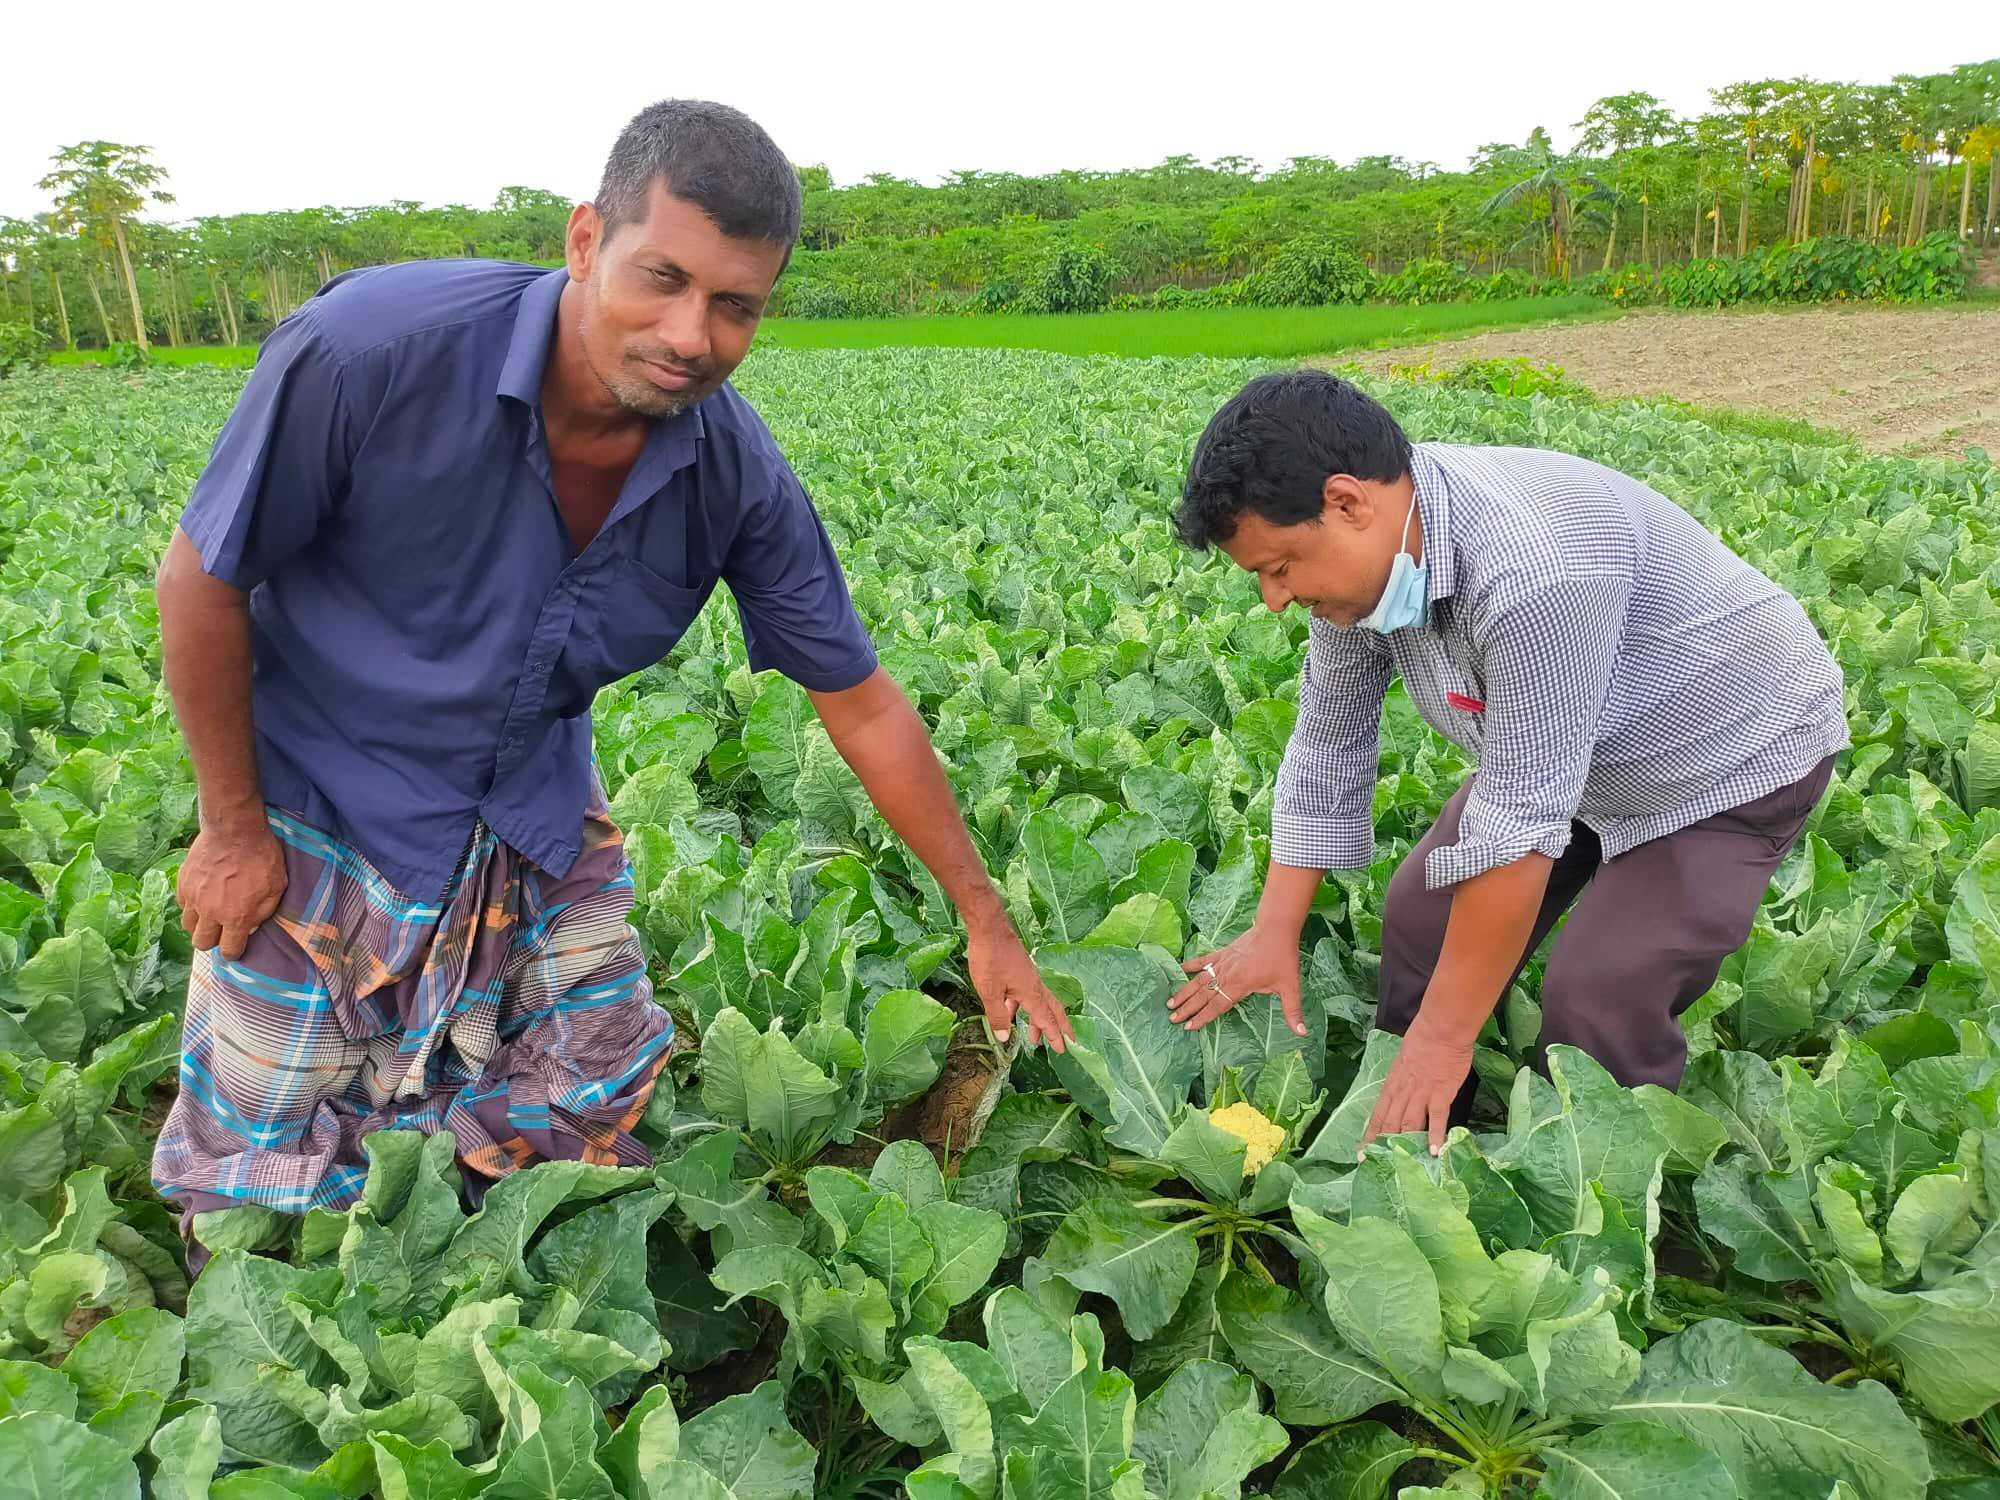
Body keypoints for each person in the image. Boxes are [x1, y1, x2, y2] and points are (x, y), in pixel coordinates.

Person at [151, 99, 1072, 1255]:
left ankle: (445, 1222)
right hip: (323, 794)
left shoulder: (730, 471)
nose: (691, 334)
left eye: (734, 306)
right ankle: (317, 1222)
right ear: (585, 240)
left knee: (602, 1072)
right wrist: (232, 831)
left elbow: (863, 702)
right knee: (252, 1164)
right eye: (662, 279)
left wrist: (982, 919)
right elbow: (200, 582)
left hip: (523, 809)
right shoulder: (370, 352)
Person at [1164, 371, 1846, 1155]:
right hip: (1579, 754)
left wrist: (1445, 1038)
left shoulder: (1534, 572)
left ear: (1348, 502)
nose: (1274, 600)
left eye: (1279, 569)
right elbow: (1328, 742)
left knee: (1599, 993)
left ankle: (1596, 1207)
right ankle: (1409, 1147)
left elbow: (1519, 828)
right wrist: (1272, 932)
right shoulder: (1366, 571)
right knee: (1421, 917)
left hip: (1724, 758)